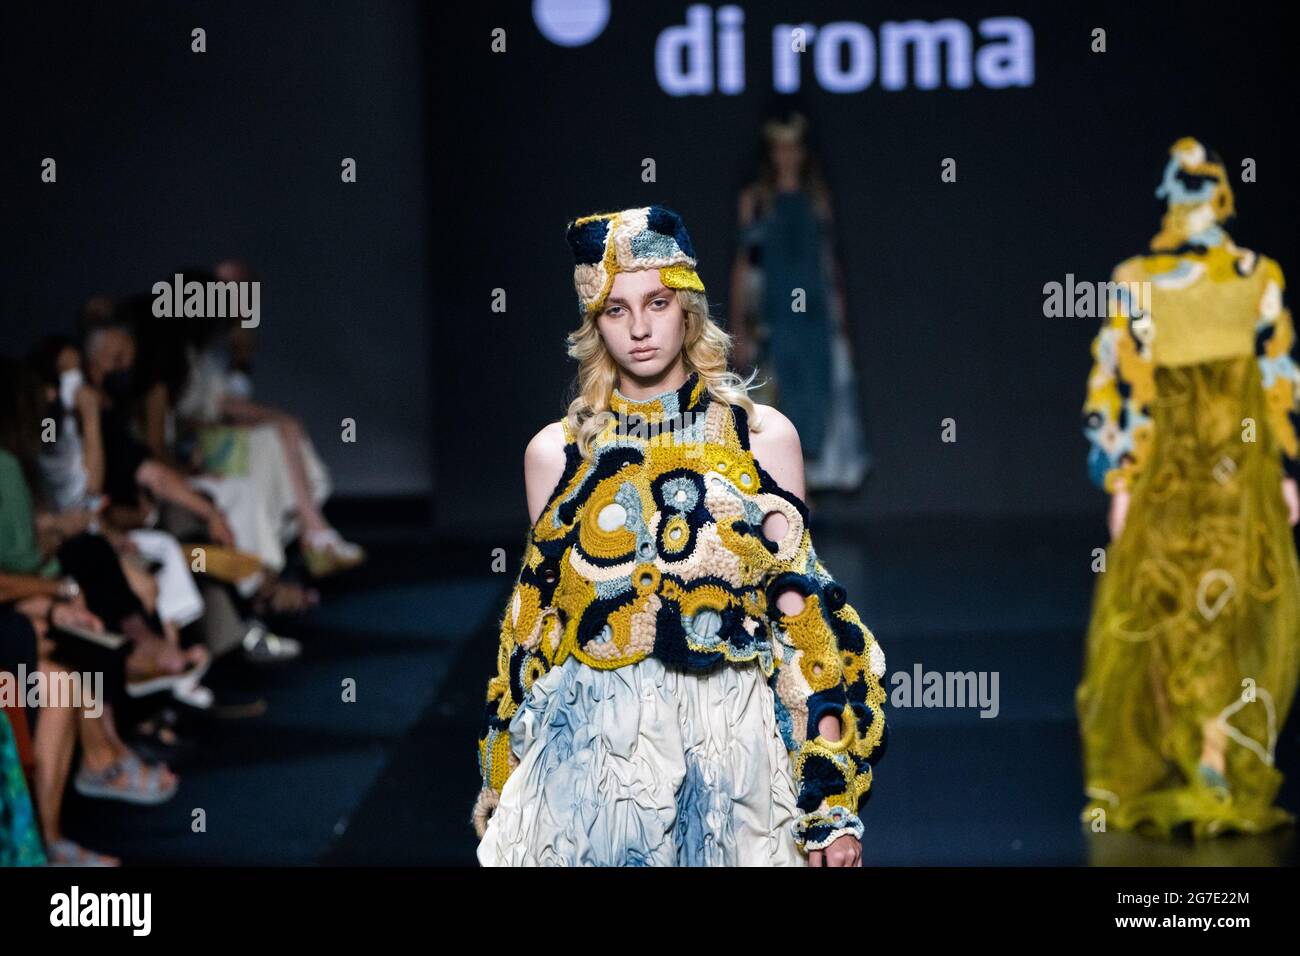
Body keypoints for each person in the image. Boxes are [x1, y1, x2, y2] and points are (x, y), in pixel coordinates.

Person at [472, 204, 887, 866]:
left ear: (687, 308)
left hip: (734, 751)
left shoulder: (759, 438)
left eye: (657, 302)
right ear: (594, 322)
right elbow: (535, 633)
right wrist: (505, 779)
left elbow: (801, 622)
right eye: (616, 310)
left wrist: (828, 799)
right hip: (597, 754)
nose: (639, 328)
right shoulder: (558, 455)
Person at [1078, 137, 1300, 839]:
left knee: (1216, 606)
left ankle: (1210, 751)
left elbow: (1278, 373)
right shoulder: (1148, 277)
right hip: (1186, 470)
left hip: (1233, 470)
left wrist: (1289, 467)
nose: (1194, 207)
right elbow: (1118, 380)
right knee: (1174, 606)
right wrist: (1121, 479)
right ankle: (1190, 751)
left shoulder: (1251, 276)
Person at [730, 110, 870, 494]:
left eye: (794, 148)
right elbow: (745, 263)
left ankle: (805, 494)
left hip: (815, 317)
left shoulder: (816, 197)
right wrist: (740, 326)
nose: (787, 156)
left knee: (817, 398)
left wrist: (841, 324)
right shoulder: (757, 200)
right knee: (776, 399)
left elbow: (829, 263)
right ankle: (781, 493)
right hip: (775, 317)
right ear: (771, 152)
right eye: (780, 148)